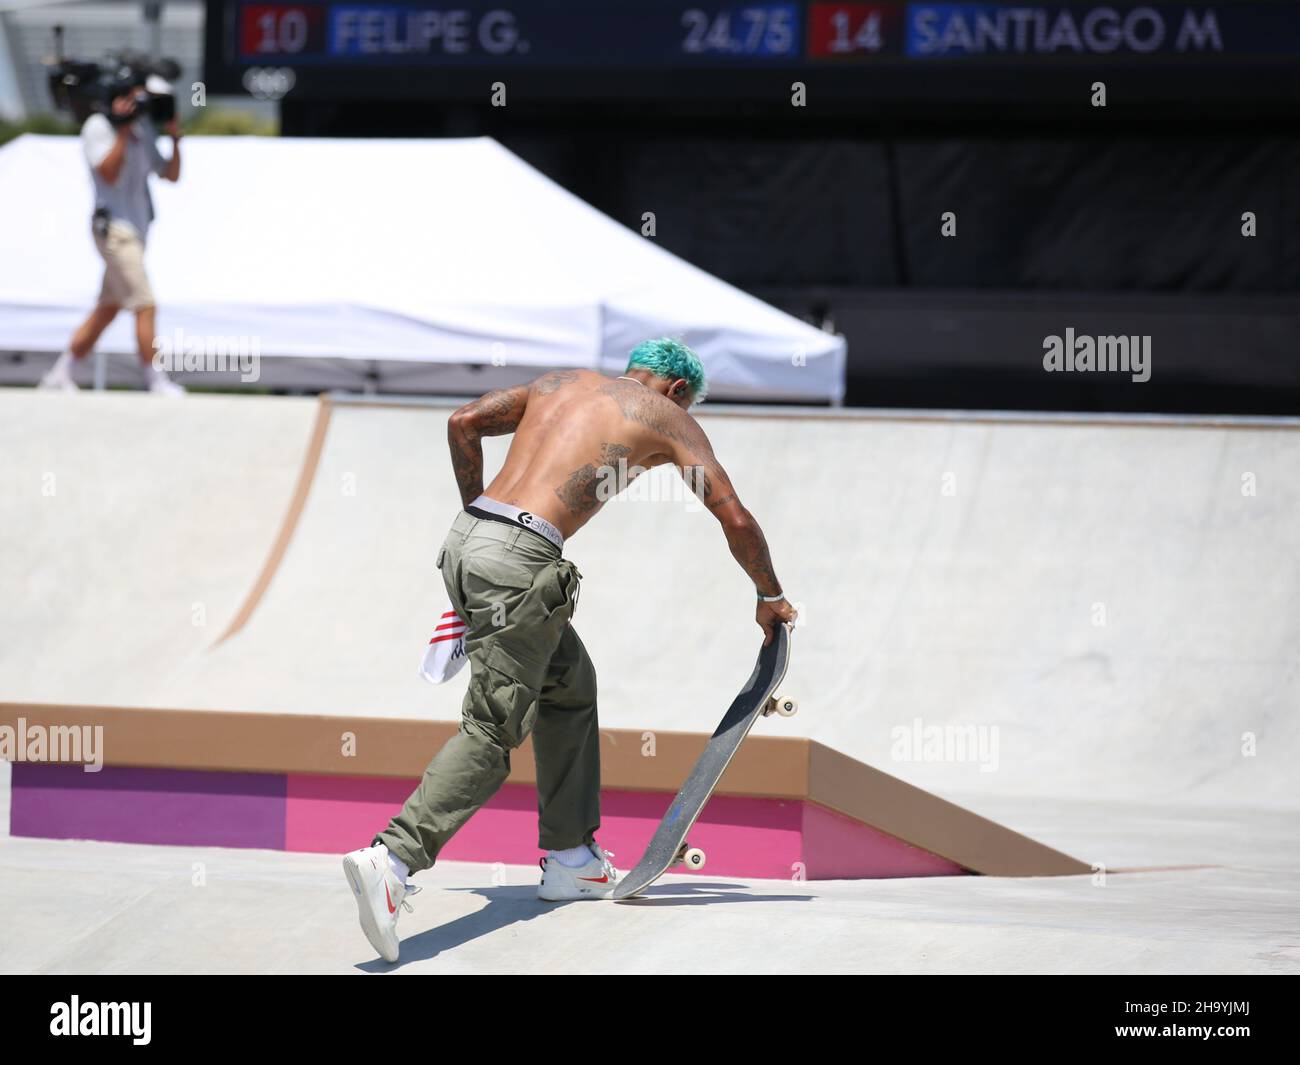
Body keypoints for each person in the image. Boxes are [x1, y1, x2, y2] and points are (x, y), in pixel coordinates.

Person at [343, 337, 797, 961]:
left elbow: (463, 422)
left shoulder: (558, 382)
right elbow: (735, 518)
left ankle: (571, 859)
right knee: (493, 725)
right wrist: (768, 593)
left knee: (568, 684)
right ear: (678, 389)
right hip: (521, 559)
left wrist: (482, 522)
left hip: (468, 537)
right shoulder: (668, 415)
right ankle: (392, 861)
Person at [40, 72, 185, 395]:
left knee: (108, 307)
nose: (140, 105)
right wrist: (121, 128)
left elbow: (170, 175)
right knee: (145, 303)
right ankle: (155, 379)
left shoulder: (143, 128)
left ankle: (61, 372)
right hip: (114, 230)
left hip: (137, 230)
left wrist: (174, 138)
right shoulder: (98, 127)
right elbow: (108, 171)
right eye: (135, 97)